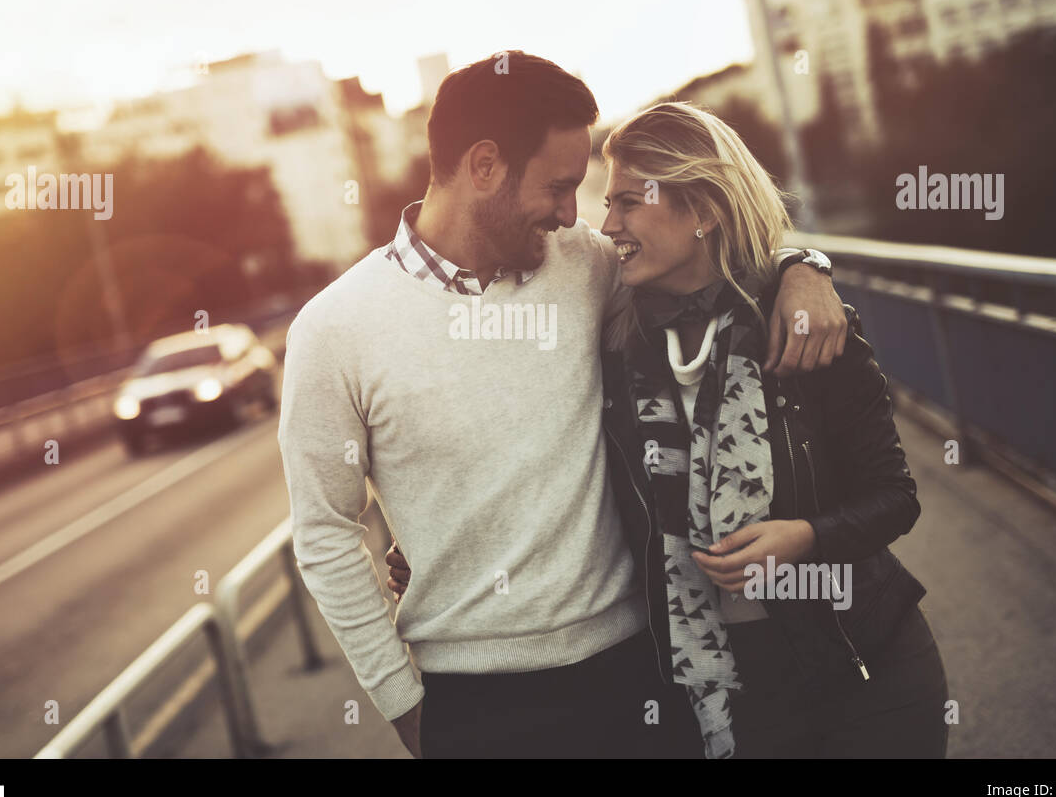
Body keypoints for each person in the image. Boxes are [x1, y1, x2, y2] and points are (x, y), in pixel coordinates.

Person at [279, 52, 845, 759]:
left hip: (640, 670)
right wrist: (406, 708)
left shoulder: (588, 263)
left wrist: (802, 268)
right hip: (476, 708)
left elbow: (716, 251)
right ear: (483, 166)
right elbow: (325, 536)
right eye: (558, 187)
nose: (572, 213)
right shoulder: (335, 330)